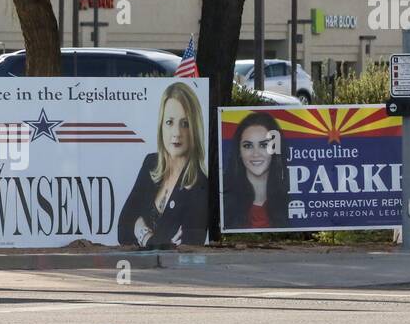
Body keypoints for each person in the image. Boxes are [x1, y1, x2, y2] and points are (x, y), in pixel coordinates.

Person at [118, 82, 208, 248]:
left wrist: (140, 229)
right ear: (161, 126)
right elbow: (123, 228)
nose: (176, 133)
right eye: (169, 122)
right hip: (139, 269)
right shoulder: (151, 164)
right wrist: (153, 239)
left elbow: (189, 245)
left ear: (194, 128)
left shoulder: (200, 184)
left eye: (185, 124)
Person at [222, 111, 289, 230]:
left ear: (275, 150)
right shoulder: (224, 202)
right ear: (239, 152)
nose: (256, 154)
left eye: (264, 145)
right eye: (248, 146)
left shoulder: (290, 200)